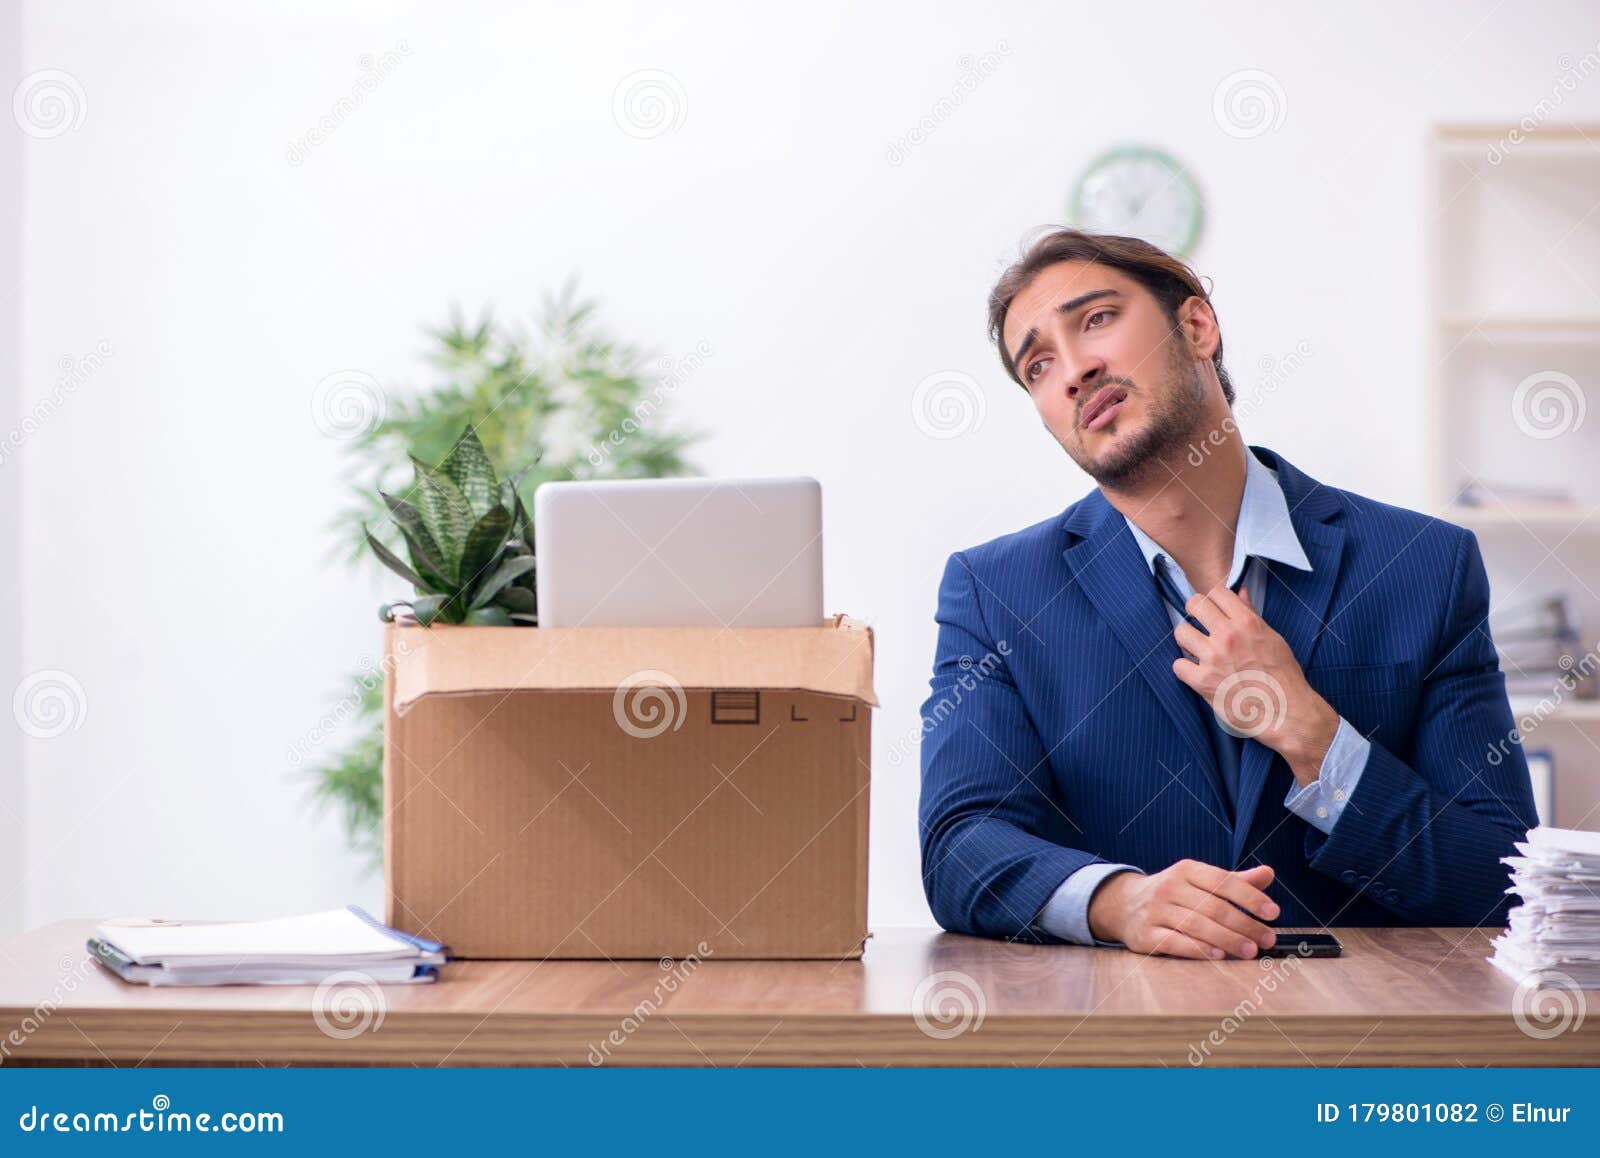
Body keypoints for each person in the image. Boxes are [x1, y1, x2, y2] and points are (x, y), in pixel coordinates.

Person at [918, 228, 1536, 959]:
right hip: (1120, 1052)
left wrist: (1313, 735)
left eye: (1096, 320)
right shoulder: (997, 592)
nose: (1075, 370)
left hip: (1364, 1045)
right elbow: (960, 847)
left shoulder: (1422, 566)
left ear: (1197, 326)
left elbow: (1505, 884)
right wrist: (1121, 902)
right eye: (1039, 364)